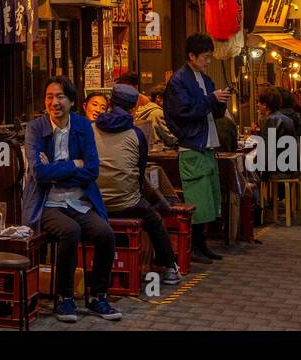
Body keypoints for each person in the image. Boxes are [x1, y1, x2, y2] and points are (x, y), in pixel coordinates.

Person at [23, 76, 122, 322]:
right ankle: (64, 298)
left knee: (105, 233)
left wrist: (57, 169)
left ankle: (98, 296)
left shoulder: (82, 126)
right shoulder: (35, 128)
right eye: (49, 97)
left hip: (79, 200)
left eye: (60, 97)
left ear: (71, 101)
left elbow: (92, 170)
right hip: (46, 203)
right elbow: (38, 173)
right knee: (71, 231)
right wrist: (72, 166)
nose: (54, 102)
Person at [93, 83, 181, 285]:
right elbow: (140, 177)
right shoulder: (137, 134)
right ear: (133, 109)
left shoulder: (91, 129)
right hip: (126, 204)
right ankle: (169, 267)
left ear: (109, 104)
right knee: (154, 219)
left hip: (95, 204)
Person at [164, 33, 230, 265]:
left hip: (207, 145)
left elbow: (209, 110)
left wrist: (221, 101)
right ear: (191, 56)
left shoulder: (204, 78)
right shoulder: (179, 81)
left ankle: (202, 244)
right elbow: (183, 112)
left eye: (210, 57)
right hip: (192, 147)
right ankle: (193, 247)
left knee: (209, 199)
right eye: (205, 57)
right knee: (197, 199)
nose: (208, 62)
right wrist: (212, 100)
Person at [134, 84, 178, 153]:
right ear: (158, 98)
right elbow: (169, 138)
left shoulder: (144, 110)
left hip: (145, 152)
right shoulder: (158, 113)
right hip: (158, 153)